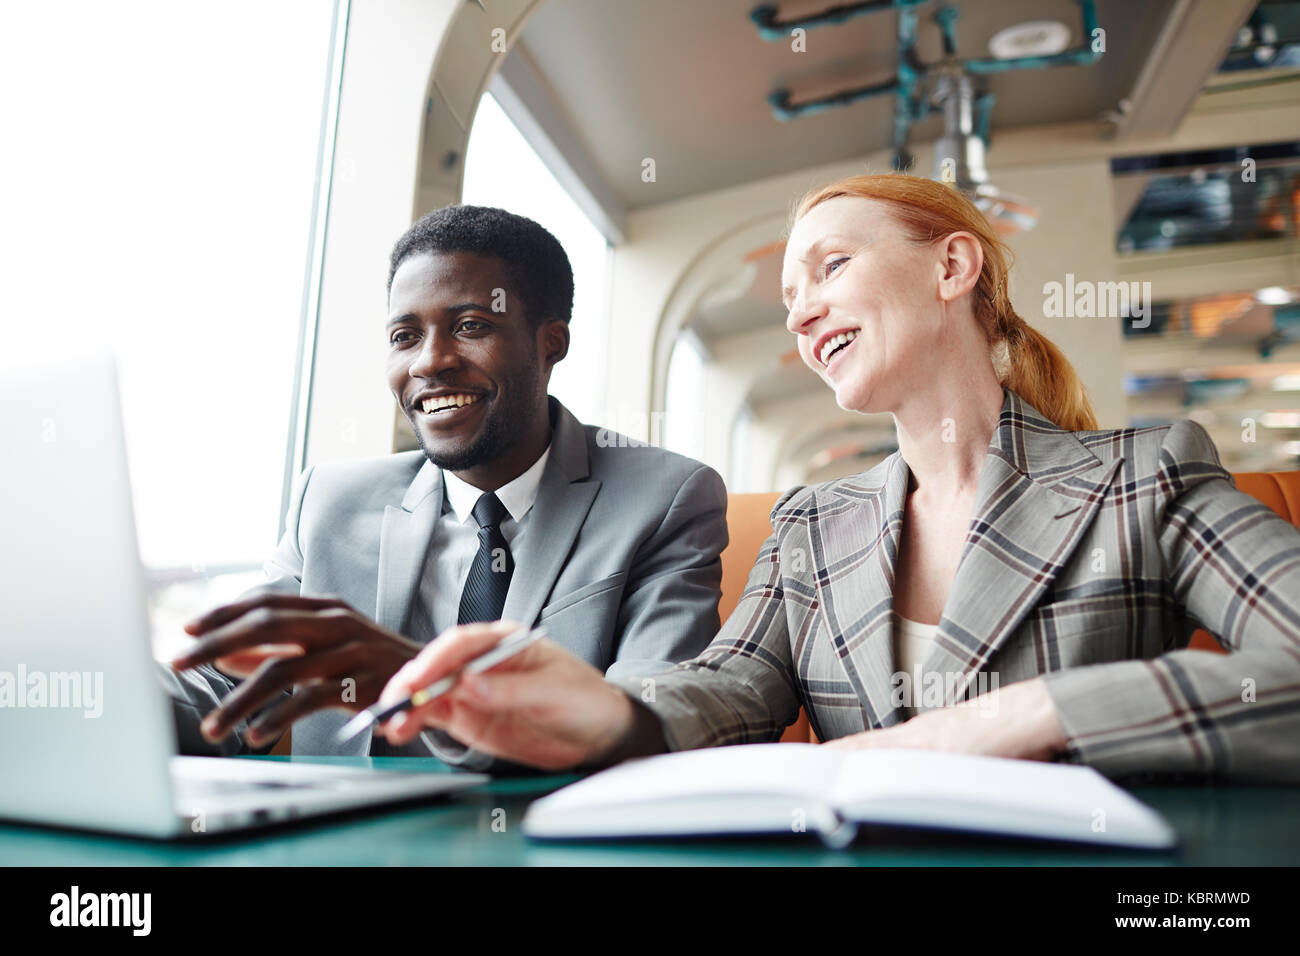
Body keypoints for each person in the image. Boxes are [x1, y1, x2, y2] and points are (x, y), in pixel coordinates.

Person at [376, 174, 1300, 783]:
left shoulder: (1145, 474)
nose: (804, 314)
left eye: (831, 268)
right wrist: (605, 710)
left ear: (951, 265)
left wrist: (1022, 718)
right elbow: (729, 688)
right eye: (788, 301)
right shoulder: (814, 523)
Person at [164, 205, 728, 768]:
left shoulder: (666, 499)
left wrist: (432, 684)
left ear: (551, 342)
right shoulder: (330, 501)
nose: (430, 362)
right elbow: (221, 682)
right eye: (405, 336)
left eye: (471, 326)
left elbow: (651, 721)